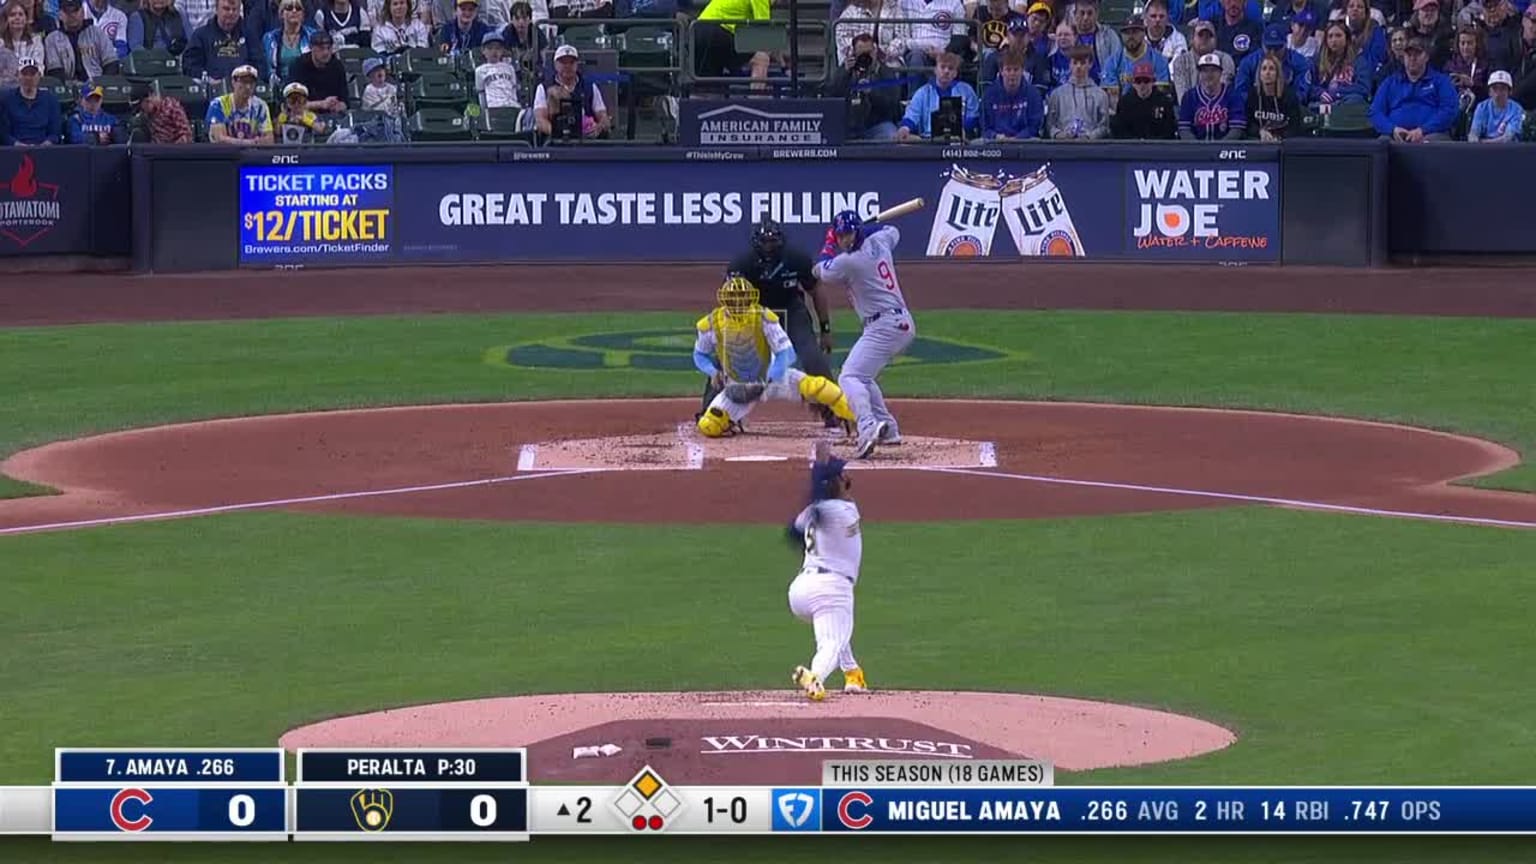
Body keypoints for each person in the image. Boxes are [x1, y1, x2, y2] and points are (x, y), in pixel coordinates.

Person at [703, 219, 843, 429]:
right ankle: (711, 411)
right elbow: (729, 302)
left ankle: (833, 410)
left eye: (773, 242)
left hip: (790, 309)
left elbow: (816, 291)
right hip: (753, 314)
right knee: (726, 358)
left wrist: (825, 329)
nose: (769, 247)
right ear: (756, 244)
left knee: (812, 357)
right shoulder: (742, 265)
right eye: (765, 243)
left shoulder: (797, 259)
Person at [691, 275, 856, 439]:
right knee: (709, 426)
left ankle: (858, 419)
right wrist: (712, 372)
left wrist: (773, 374)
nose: (739, 303)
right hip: (738, 384)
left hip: (771, 375)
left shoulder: (764, 317)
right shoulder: (710, 324)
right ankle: (731, 419)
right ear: (724, 299)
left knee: (820, 388)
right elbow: (700, 355)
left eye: (742, 298)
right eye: (734, 299)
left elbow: (786, 353)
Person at [813, 210, 915, 459]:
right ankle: (888, 428)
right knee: (864, 378)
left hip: (885, 325)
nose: (843, 240)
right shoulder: (879, 241)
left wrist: (828, 243)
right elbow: (893, 231)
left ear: (856, 232)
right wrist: (864, 232)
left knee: (849, 377)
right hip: (897, 322)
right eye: (840, 236)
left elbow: (819, 271)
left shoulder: (849, 262)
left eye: (847, 235)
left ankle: (867, 426)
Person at [786, 448, 868, 702]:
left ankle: (853, 674)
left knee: (838, 628)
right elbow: (824, 503)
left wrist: (818, 479)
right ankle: (815, 677)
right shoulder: (843, 511)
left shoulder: (813, 511)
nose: (846, 477)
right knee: (831, 642)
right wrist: (819, 480)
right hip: (831, 587)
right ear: (834, 483)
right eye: (841, 474)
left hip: (800, 589)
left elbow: (793, 533)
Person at [1369, 35, 1456, 139]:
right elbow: (1375, 112)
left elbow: (1449, 110)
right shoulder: (1390, 82)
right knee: (1382, 143)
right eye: (1408, 54)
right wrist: (1392, 129)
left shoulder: (1441, 81)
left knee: (1433, 142)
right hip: (1395, 136)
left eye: (1417, 54)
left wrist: (1423, 130)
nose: (1412, 58)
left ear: (1427, 57)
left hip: (1430, 135)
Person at [830, 31, 903, 140]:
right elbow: (832, 95)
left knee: (891, 135)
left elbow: (893, 105)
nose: (865, 57)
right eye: (861, 54)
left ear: (875, 51)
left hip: (876, 125)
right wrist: (844, 73)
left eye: (868, 53)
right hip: (849, 127)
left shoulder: (885, 72)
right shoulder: (846, 70)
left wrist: (872, 92)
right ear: (854, 53)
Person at [895, 51, 980, 140]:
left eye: (950, 68)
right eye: (943, 67)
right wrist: (905, 128)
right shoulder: (922, 93)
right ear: (935, 70)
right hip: (928, 140)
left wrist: (961, 128)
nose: (946, 71)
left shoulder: (966, 90)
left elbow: (973, 117)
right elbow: (911, 115)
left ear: (955, 73)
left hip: (959, 139)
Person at [533, 44, 609, 138]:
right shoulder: (543, 88)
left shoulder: (590, 87)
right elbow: (540, 120)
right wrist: (559, 134)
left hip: (586, 140)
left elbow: (603, 116)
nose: (567, 66)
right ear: (555, 64)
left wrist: (599, 127)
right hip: (554, 141)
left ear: (577, 64)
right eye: (563, 62)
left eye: (571, 62)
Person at [43, 0, 118, 85]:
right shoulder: (52, 39)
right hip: (68, 89)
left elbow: (111, 63)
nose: (72, 15)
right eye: (67, 12)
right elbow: (55, 72)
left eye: (75, 10)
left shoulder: (97, 33)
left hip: (98, 86)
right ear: (60, 15)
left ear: (82, 12)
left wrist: (101, 84)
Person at [1234, 20, 1313, 101]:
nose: (1272, 52)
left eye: (1277, 48)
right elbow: (1240, 93)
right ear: (1262, 45)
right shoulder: (1248, 62)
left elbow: (1301, 94)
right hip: (1255, 106)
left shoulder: (1300, 62)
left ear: (1285, 45)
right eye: (1269, 48)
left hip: (1288, 107)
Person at [183, 0, 260, 82]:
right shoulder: (200, 35)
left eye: (234, 9)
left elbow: (259, 65)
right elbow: (190, 67)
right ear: (216, 9)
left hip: (243, 88)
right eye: (226, 9)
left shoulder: (249, 35)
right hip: (211, 89)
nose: (231, 13)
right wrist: (207, 80)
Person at [1046, 44, 1111, 138]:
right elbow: (1050, 124)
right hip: (1062, 146)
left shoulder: (1100, 95)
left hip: (1091, 147)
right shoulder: (1057, 94)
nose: (1079, 67)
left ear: (1090, 64)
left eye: (1083, 63)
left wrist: (1090, 136)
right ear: (1069, 64)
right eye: (1075, 63)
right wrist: (1058, 134)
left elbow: (1104, 126)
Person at [1179, 51, 1246, 138]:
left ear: (1220, 73)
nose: (1209, 75)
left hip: (1225, 149)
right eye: (1205, 71)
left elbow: (1236, 130)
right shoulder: (1189, 97)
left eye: (1213, 70)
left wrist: (1219, 149)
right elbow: (1184, 129)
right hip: (1196, 149)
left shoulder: (1233, 96)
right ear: (1199, 73)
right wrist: (1197, 148)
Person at [980, 48, 1043, 137]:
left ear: (1022, 71)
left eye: (1016, 69)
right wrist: (995, 136)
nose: (1012, 73)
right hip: (996, 142)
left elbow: (1034, 126)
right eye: (1008, 70)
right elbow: (984, 126)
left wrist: (1018, 138)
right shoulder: (989, 94)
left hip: (1026, 143)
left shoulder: (1033, 94)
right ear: (1001, 71)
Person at [1103, 14, 1172, 95]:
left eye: (1135, 32)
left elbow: (1161, 96)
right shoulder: (1112, 62)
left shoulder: (1159, 60)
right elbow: (1112, 98)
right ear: (1121, 35)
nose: (1131, 36)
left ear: (1143, 33)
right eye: (1126, 33)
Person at [0, 56, 62, 144]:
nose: (28, 78)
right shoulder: (6, 99)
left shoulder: (50, 100)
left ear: (39, 75)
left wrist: (46, 144)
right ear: (17, 75)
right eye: (24, 74)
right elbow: (4, 134)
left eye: (32, 74)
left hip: (45, 150)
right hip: (14, 151)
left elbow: (55, 133)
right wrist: (17, 145)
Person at [205, 61, 274, 142]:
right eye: (244, 82)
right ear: (233, 82)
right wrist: (250, 143)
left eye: (251, 82)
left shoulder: (260, 106)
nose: (248, 87)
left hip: (252, 153)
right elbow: (219, 139)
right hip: (224, 153)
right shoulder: (218, 104)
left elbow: (269, 139)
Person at [1111, 58, 1178, 137]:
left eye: (1146, 80)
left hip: (1158, 147)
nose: (1142, 85)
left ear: (1153, 81)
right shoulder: (1124, 103)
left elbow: (1169, 130)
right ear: (1133, 83)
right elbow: (1119, 131)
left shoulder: (1165, 102)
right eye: (1138, 81)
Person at [1171, 19, 1234, 101]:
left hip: (1218, 110)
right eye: (1200, 35)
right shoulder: (1181, 61)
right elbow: (1183, 97)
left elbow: (1221, 95)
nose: (1205, 39)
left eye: (1209, 36)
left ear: (1215, 40)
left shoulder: (1225, 60)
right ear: (1191, 39)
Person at [1313, 19, 1371, 106]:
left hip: (1346, 101)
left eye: (1338, 35)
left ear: (1347, 39)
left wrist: (1337, 93)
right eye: (1330, 36)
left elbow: (1363, 88)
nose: (1334, 40)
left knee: (1355, 99)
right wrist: (1320, 93)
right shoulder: (1318, 61)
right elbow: (1311, 86)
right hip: (1325, 103)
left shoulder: (1359, 61)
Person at [289, 28, 348, 114]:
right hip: (303, 115)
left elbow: (345, 100)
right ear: (311, 48)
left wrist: (339, 106)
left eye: (329, 48)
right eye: (321, 48)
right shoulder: (298, 65)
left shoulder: (337, 66)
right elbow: (293, 105)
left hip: (331, 115)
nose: (326, 52)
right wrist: (321, 104)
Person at [1246, 52, 1302, 136]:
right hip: (1259, 140)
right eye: (1264, 69)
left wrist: (1278, 136)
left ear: (1277, 73)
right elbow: (1248, 123)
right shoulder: (1253, 94)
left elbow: (1294, 126)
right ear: (1259, 74)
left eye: (1271, 69)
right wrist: (1260, 132)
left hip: (1282, 143)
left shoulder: (1289, 95)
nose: (1267, 73)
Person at [262, 0, 315, 84]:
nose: (294, 11)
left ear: (303, 15)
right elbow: (268, 67)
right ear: (281, 14)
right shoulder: (269, 38)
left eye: (298, 8)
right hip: (279, 85)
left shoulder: (312, 36)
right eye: (289, 8)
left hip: (306, 85)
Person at [1468, 68, 1524, 139]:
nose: (1498, 93)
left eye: (1502, 89)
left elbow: (1508, 138)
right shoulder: (1481, 107)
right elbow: (1474, 133)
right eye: (1495, 89)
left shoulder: (1516, 109)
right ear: (1489, 92)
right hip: (1482, 148)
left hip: (1508, 148)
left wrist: (1484, 144)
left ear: (1510, 92)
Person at [126, 0, 191, 55]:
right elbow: (136, 48)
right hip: (149, 62)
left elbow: (191, 41)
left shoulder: (179, 14)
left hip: (178, 60)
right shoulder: (137, 17)